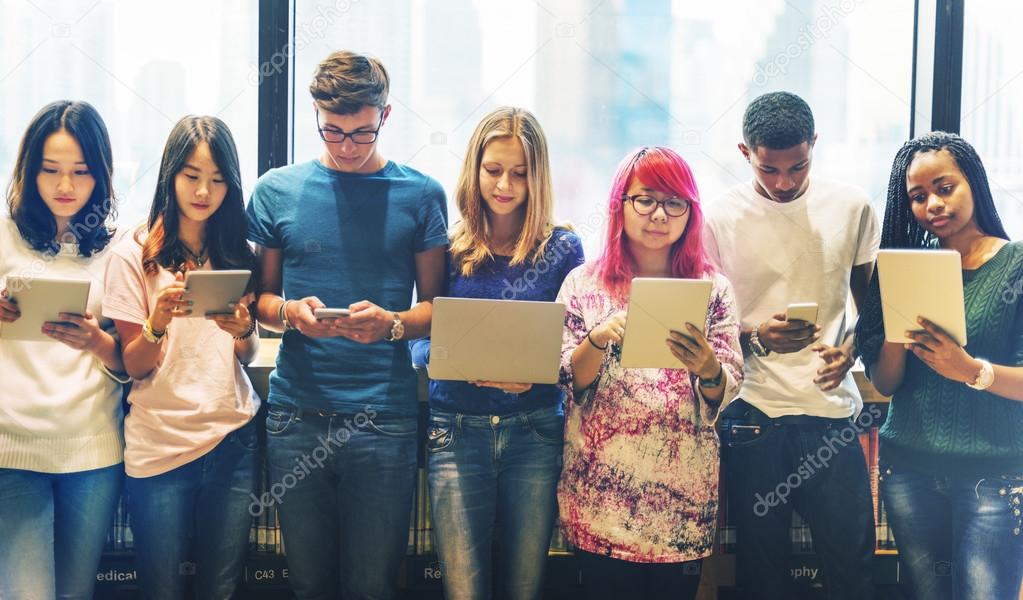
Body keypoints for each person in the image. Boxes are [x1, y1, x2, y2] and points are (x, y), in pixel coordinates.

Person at [246, 49, 447, 599]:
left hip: (385, 420)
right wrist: (289, 314)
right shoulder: (276, 190)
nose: (346, 147)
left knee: (372, 586)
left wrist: (392, 324)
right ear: (315, 113)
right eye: (331, 131)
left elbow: (437, 309)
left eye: (361, 133)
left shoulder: (421, 195)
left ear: (386, 115)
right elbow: (260, 299)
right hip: (296, 416)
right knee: (308, 585)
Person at [705, 91, 878, 600]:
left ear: (814, 145)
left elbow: (874, 310)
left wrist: (850, 350)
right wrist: (758, 338)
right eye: (769, 169)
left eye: (797, 167)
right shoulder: (717, 218)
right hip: (752, 415)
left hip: (832, 413)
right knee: (762, 580)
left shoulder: (851, 206)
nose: (784, 182)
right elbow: (708, 331)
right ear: (744, 153)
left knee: (853, 574)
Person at [409, 106, 584, 600]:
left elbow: (576, 342)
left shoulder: (563, 249)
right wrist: (447, 356)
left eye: (520, 173)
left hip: (535, 429)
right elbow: (421, 335)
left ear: (538, 177)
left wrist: (540, 372)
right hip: (456, 430)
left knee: (525, 586)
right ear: (475, 170)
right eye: (493, 170)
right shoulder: (448, 246)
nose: (505, 185)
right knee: (464, 589)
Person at [555, 146, 742, 600]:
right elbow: (567, 377)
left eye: (674, 202)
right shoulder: (583, 283)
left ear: (690, 212)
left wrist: (708, 368)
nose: (659, 214)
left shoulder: (713, 289)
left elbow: (728, 383)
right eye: (646, 200)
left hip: (681, 504)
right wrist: (597, 339)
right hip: (600, 499)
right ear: (620, 204)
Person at [857, 131, 1023, 600]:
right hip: (909, 470)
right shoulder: (907, 267)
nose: (932, 204)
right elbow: (886, 383)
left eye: (945, 188)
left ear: (974, 182)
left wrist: (970, 370)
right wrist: (898, 318)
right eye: (918, 196)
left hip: (993, 476)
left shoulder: (1015, 264)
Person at [104, 115, 260, 599]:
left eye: (217, 180)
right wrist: (157, 322)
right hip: (160, 446)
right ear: (170, 175)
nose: (203, 191)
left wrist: (243, 330)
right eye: (192, 176)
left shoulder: (238, 250)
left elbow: (246, 354)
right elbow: (134, 366)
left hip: (230, 437)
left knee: (219, 588)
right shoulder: (133, 254)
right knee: (162, 588)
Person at [0, 100, 127, 600]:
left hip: (92, 450)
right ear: (29, 170)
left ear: (102, 174)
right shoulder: (5, 236)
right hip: (13, 447)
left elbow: (133, 360)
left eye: (81, 171)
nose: (65, 186)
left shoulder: (120, 247)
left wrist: (97, 340)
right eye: (50, 170)